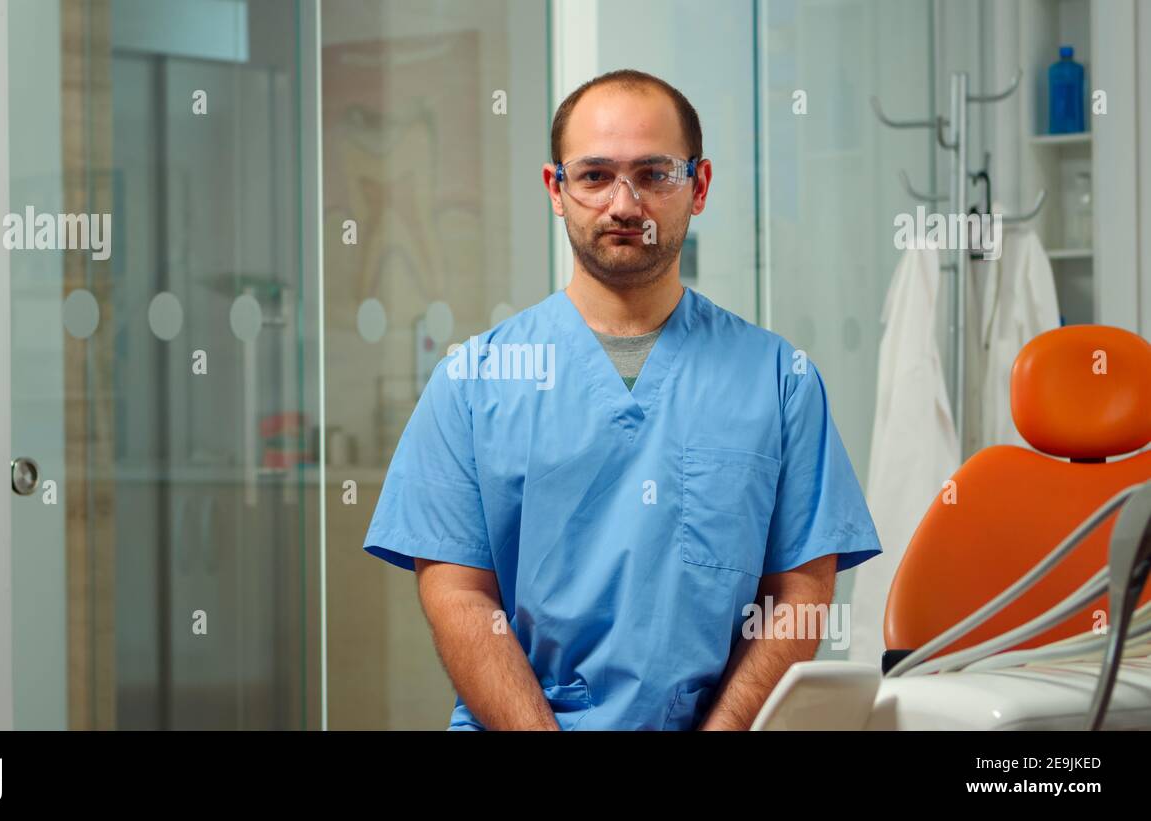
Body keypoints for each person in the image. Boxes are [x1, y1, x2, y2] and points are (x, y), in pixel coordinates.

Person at [363, 69, 881, 730]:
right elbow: (458, 592)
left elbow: (801, 590)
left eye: (655, 173)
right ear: (556, 189)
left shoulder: (780, 381)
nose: (624, 203)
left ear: (700, 185)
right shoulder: (473, 381)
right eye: (595, 174)